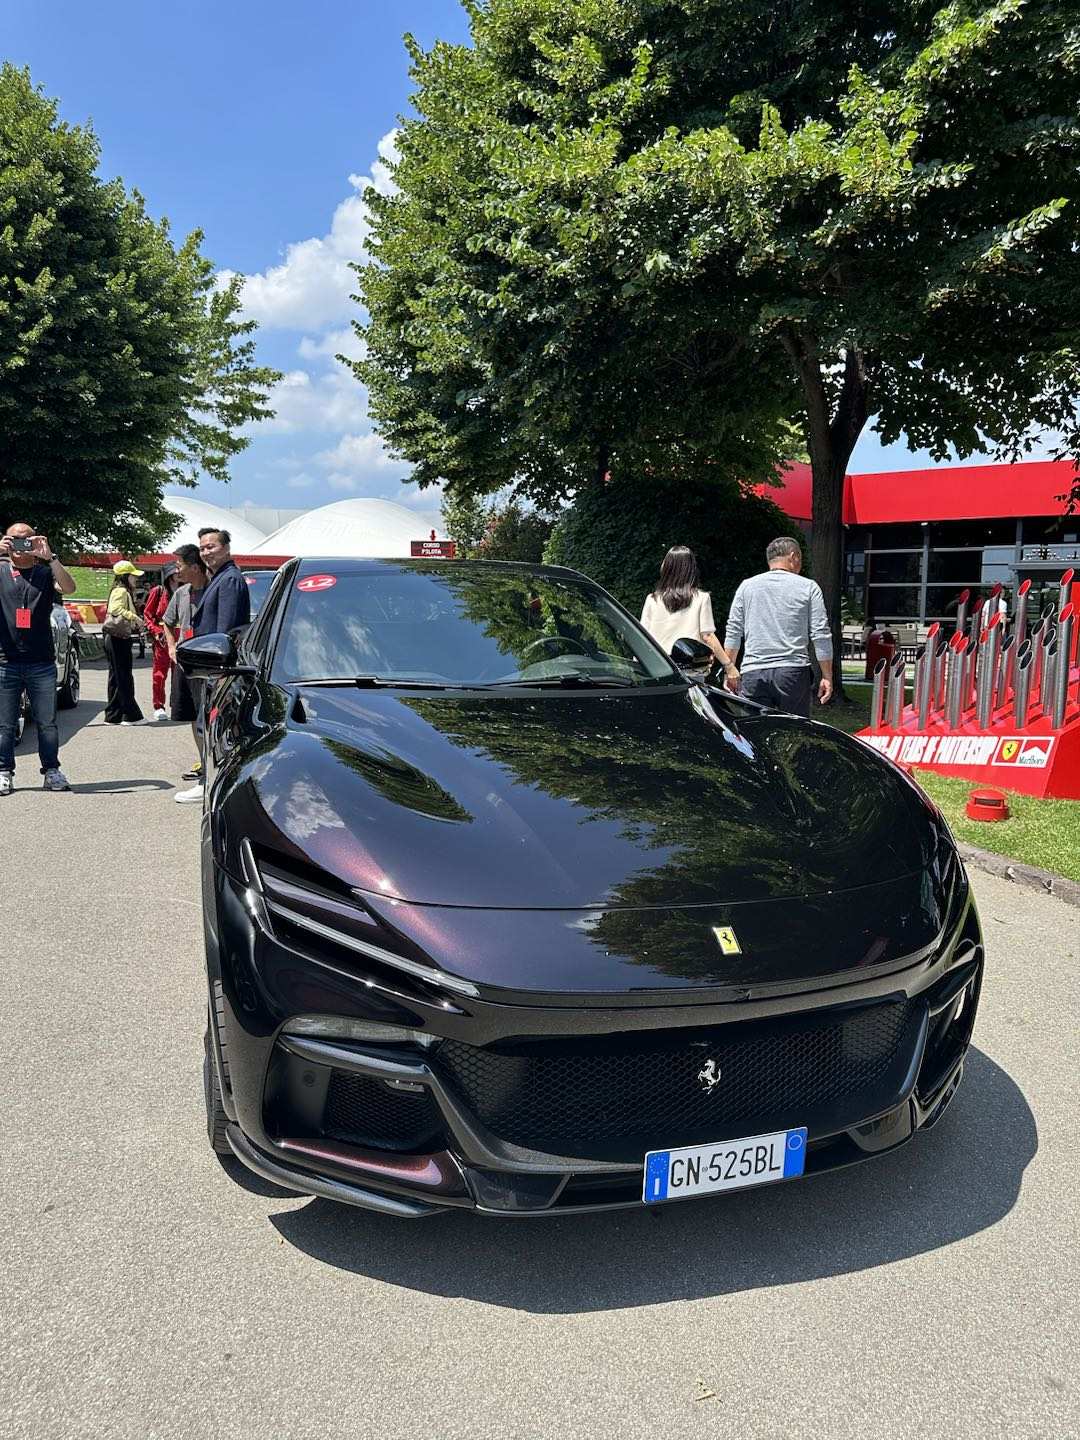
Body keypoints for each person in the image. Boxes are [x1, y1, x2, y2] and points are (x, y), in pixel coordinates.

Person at [174, 529, 251, 804]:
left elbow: (226, 631)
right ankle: (209, 781)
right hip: (210, 668)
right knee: (203, 726)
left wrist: (217, 668)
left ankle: (209, 784)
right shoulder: (219, 577)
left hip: (216, 668)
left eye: (212, 546)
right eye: (203, 548)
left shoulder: (229, 579)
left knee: (210, 729)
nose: (207, 552)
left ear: (227, 548)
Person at [0, 522, 77, 794]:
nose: (21, 544)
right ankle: (4, 771)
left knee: (47, 723)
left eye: (27, 539)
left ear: (35, 542)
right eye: (14, 539)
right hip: (5, 661)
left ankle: (52, 770)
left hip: (41, 661)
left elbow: (69, 588)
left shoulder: (45, 573)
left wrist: (51, 557)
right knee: (5, 724)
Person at [723, 537, 833, 718]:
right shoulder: (809, 587)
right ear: (794, 556)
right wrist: (827, 676)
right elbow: (820, 633)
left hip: (753, 671)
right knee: (794, 733)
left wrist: (730, 668)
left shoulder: (747, 586)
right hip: (793, 672)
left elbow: (734, 631)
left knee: (754, 736)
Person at [640, 546, 740, 685]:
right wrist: (729, 666)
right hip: (691, 671)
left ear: (667, 567)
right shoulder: (701, 598)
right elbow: (708, 636)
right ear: (690, 569)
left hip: (659, 670)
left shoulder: (652, 599)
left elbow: (642, 636)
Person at [161, 545, 207, 785]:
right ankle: (202, 759)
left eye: (180, 565)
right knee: (191, 714)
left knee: (208, 714)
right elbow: (167, 622)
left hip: (209, 665)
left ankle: (212, 763)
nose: (176, 570)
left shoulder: (213, 590)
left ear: (195, 567)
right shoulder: (181, 593)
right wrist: (171, 647)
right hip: (185, 663)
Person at [103, 561, 148, 725]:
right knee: (123, 676)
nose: (135, 579)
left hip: (113, 637)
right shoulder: (121, 591)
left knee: (116, 676)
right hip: (118, 638)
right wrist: (135, 617)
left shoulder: (118, 590)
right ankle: (130, 715)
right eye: (133, 576)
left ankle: (113, 715)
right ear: (125, 576)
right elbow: (115, 610)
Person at [143, 564, 179, 721]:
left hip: (182, 636)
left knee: (180, 675)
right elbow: (148, 614)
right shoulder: (158, 591)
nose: (180, 573)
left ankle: (177, 705)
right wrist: (156, 632)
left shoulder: (188, 591)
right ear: (170, 574)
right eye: (177, 571)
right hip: (163, 637)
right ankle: (158, 706)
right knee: (159, 674)